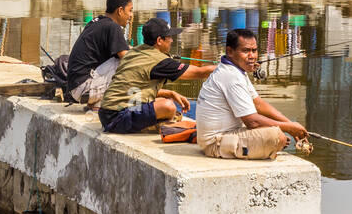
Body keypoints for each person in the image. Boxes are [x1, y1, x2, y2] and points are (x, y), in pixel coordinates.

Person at [195, 28, 306, 159]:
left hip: (228, 133)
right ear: (230, 52)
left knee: (275, 131)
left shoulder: (237, 70)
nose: (252, 56)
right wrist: (288, 127)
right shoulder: (231, 76)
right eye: (246, 51)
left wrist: (291, 126)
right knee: (277, 137)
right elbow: (252, 122)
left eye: (254, 50)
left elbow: (258, 103)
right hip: (215, 143)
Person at [97, 17, 217, 135]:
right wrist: (227, 67)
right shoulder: (160, 61)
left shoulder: (135, 51)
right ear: (159, 40)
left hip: (107, 113)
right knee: (168, 106)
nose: (172, 40)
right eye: (169, 37)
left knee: (165, 101)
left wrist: (170, 93)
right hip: (118, 118)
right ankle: (154, 126)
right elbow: (199, 72)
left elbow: (133, 88)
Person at [65, 0, 135, 105]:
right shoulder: (113, 27)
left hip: (75, 87)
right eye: (130, 10)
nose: (131, 15)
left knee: (129, 55)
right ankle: (134, 107)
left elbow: (124, 49)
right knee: (131, 62)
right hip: (84, 89)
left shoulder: (97, 22)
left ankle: (98, 104)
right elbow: (126, 57)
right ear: (120, 11)